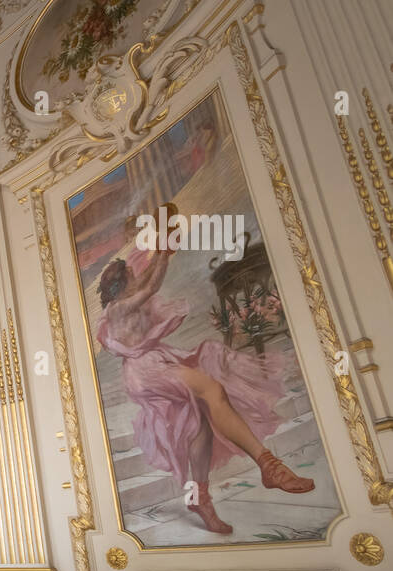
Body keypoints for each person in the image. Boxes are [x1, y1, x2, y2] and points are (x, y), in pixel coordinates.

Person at [96, 202, 312, 535]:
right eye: (131, 276)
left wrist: (162, 248)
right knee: (213, 389)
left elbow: (148, 280)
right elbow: (150, 286)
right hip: (144, 370)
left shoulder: (128, 296)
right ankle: (269, 465)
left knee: (200, 429)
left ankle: (200, 498)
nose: (136, 277)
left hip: (155, 361)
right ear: (121, 286)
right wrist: (164, 251)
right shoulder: (118, 308)